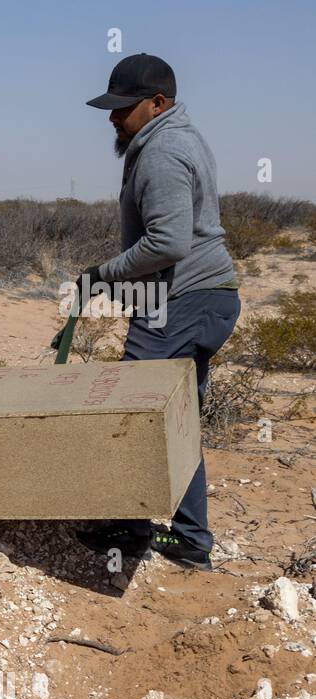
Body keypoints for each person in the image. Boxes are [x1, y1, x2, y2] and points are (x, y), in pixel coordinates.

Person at [73, 53, 239, 572]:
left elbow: (167, 243)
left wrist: (103, 274)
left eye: (123, 108)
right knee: (176, 419)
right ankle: (190, 540)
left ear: (157, 103)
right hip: (206, 297)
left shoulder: (164, 151)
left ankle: (133, 529)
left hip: (180, 301)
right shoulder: (173, 139)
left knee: (137, 413)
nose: (112, 117)